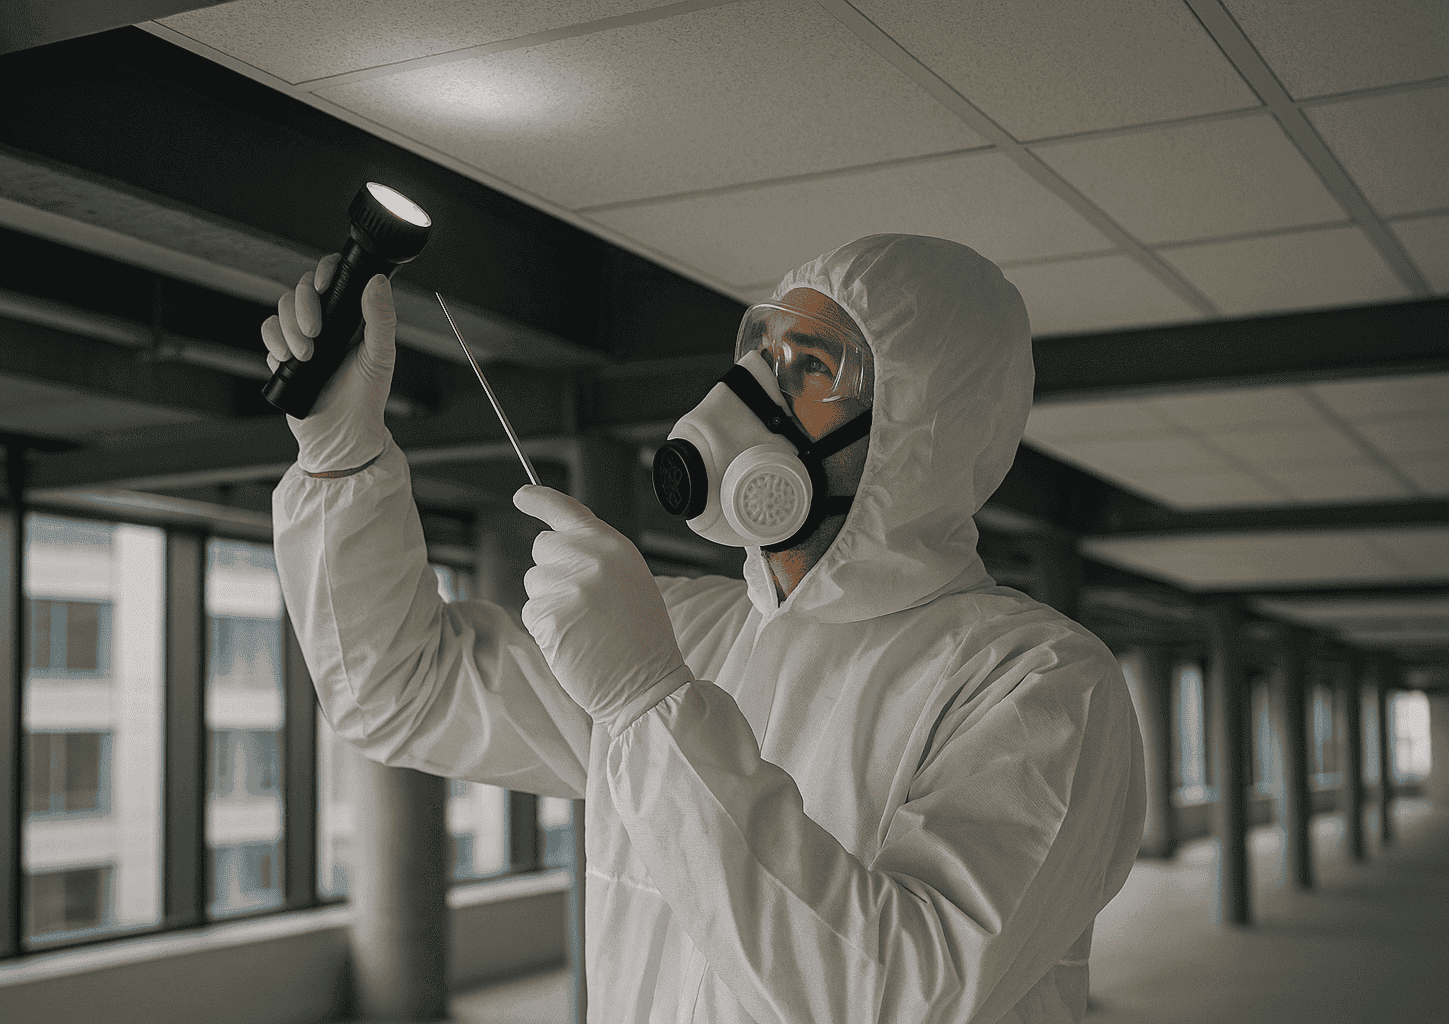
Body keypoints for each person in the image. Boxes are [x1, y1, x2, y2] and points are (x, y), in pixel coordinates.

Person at [265, 233, 1146, 1024]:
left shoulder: (1038, 682)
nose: (745, 393)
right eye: (761, 354)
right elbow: (399, 689)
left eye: (809, 368)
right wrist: (340, 463)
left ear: (921, 430)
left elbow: (894, 998)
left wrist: (653, 704)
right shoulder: (676, 630)